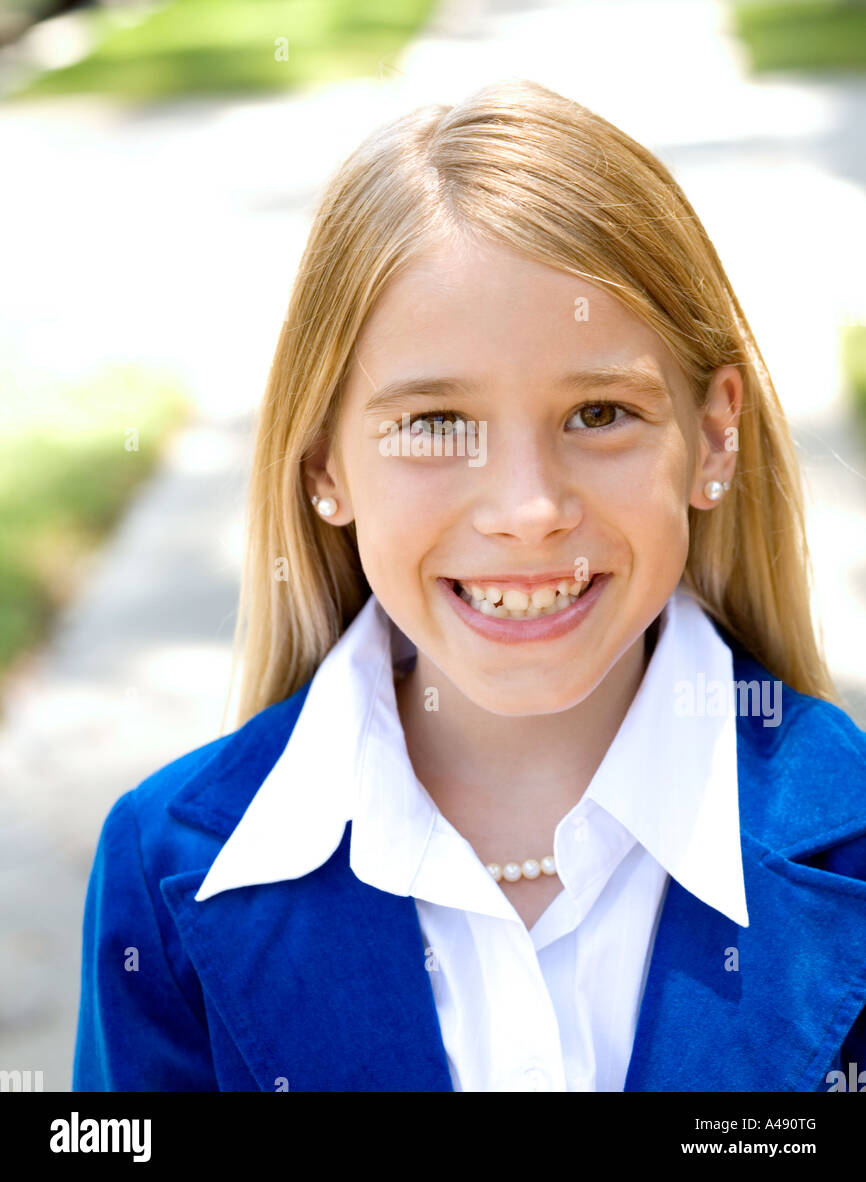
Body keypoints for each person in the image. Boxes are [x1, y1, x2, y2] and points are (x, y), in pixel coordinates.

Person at [73, 78, 866, 1092]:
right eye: (435, 424)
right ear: (324, 466)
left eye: (597, 413)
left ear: (713, 433)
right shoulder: (166, 870)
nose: (527, 508)